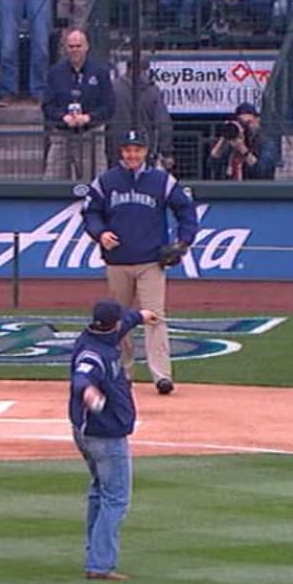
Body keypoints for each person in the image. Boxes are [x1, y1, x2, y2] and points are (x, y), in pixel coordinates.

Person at [81, 130, 199, 395]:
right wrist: (99, 233)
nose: (132, 155)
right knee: (119, 320)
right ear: (121, 151)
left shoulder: (161, 180)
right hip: (118, 260)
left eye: (137, 150)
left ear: (146, 151)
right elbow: (90, 212)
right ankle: (122, 374)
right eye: (127, 150)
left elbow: (186, 209)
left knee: (155, 317)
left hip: (150, 260)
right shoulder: (107, 180)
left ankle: (162, 376)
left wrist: (184, 241)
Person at [68, 298, 158, 581]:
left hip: (89, 432)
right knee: (116, 499)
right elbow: (82, 375)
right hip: (104, 435)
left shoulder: (100, 335)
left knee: (100, 492)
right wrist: (88, 393)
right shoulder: (93, 352)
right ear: (114, 322)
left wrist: (141, 316)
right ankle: (100, 564)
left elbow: (123, 325)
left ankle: (95, 555)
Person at [43, 28, 115, 181]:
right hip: (61, 135)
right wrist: (63, 118)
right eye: (71, 46)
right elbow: (47, 106)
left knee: (95, 184)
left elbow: (109, 106)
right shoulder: (55, 73)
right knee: (51, 182)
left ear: (87, 46)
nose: (75, 50)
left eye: (78, 46)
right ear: (65, 48)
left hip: (91, 135)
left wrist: (89, 117)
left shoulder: (100, 72)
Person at [204, 101, 279, 179]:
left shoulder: (267, 143)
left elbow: (262, 172)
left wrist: (243, 149)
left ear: (257, 120)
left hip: (255, 189)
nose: (246, 127)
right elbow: (211, 164)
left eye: (249, 123)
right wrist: (225, 136)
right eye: (242, 123)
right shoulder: (232, 143)